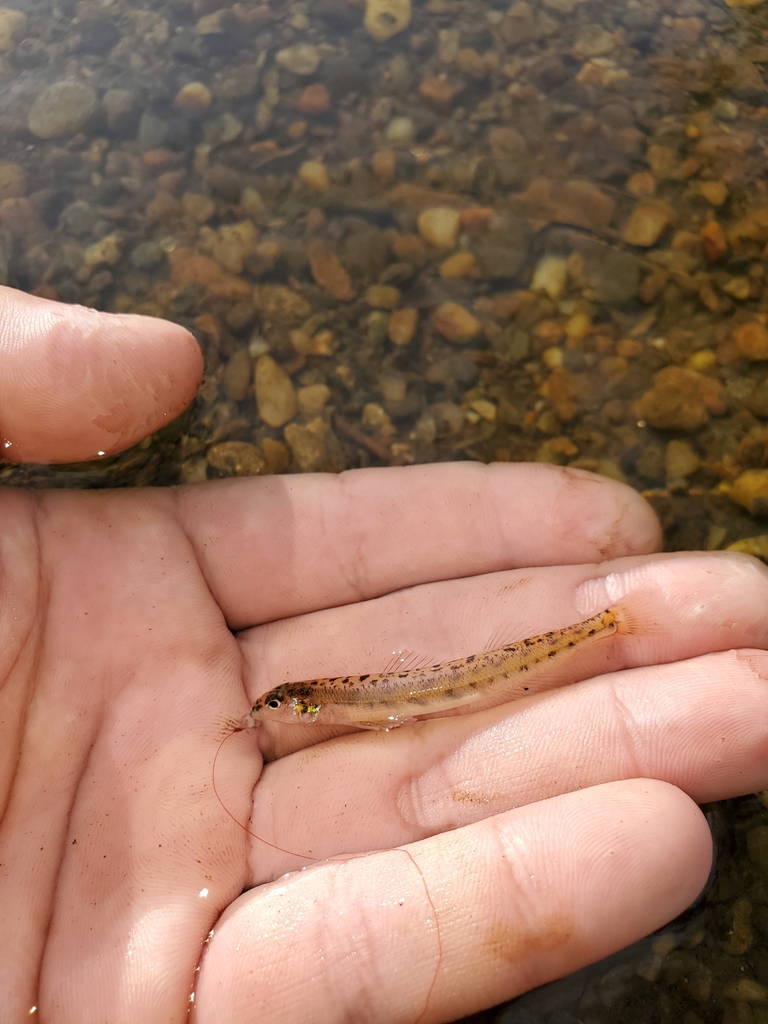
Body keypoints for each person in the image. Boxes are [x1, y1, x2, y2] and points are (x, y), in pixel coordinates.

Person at [2, 284, 767, 1024]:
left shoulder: (322, 701)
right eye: (279, 705)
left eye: (282, 704)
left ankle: (605, 628)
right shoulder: (318, 703)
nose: (277, 710)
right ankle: (602, 628)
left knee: (508, 683)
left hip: (459, 681)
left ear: (306, 706)